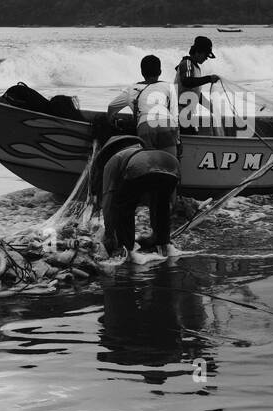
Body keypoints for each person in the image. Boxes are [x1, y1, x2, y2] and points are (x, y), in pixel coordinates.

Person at [89, 115, 181, 262]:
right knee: (161, 205)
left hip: (141, 168)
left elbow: (108, 202)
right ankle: (165, 245)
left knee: (124, 207)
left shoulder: (113, 161)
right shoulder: (140, 151)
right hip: (173, 165)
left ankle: (129, 251)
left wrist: (110, 233)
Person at [106, 54, 177, 150]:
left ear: (142, 72)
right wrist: (178, 139)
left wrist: (110, 122)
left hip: (145, 126)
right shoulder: (169, 86)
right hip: (166, 124)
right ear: (160, 72)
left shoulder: (131, 89)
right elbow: (175, 114)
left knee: (149, 162)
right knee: (170, 162)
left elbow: (111, 106)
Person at [175, 35, 220, 134]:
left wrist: (210, 106)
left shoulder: (196, 68)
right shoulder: (187, 63)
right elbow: (187, 82)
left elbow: (195, 94)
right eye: (205, 55)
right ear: (198, 52)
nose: (206, 58)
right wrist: (209, 78)